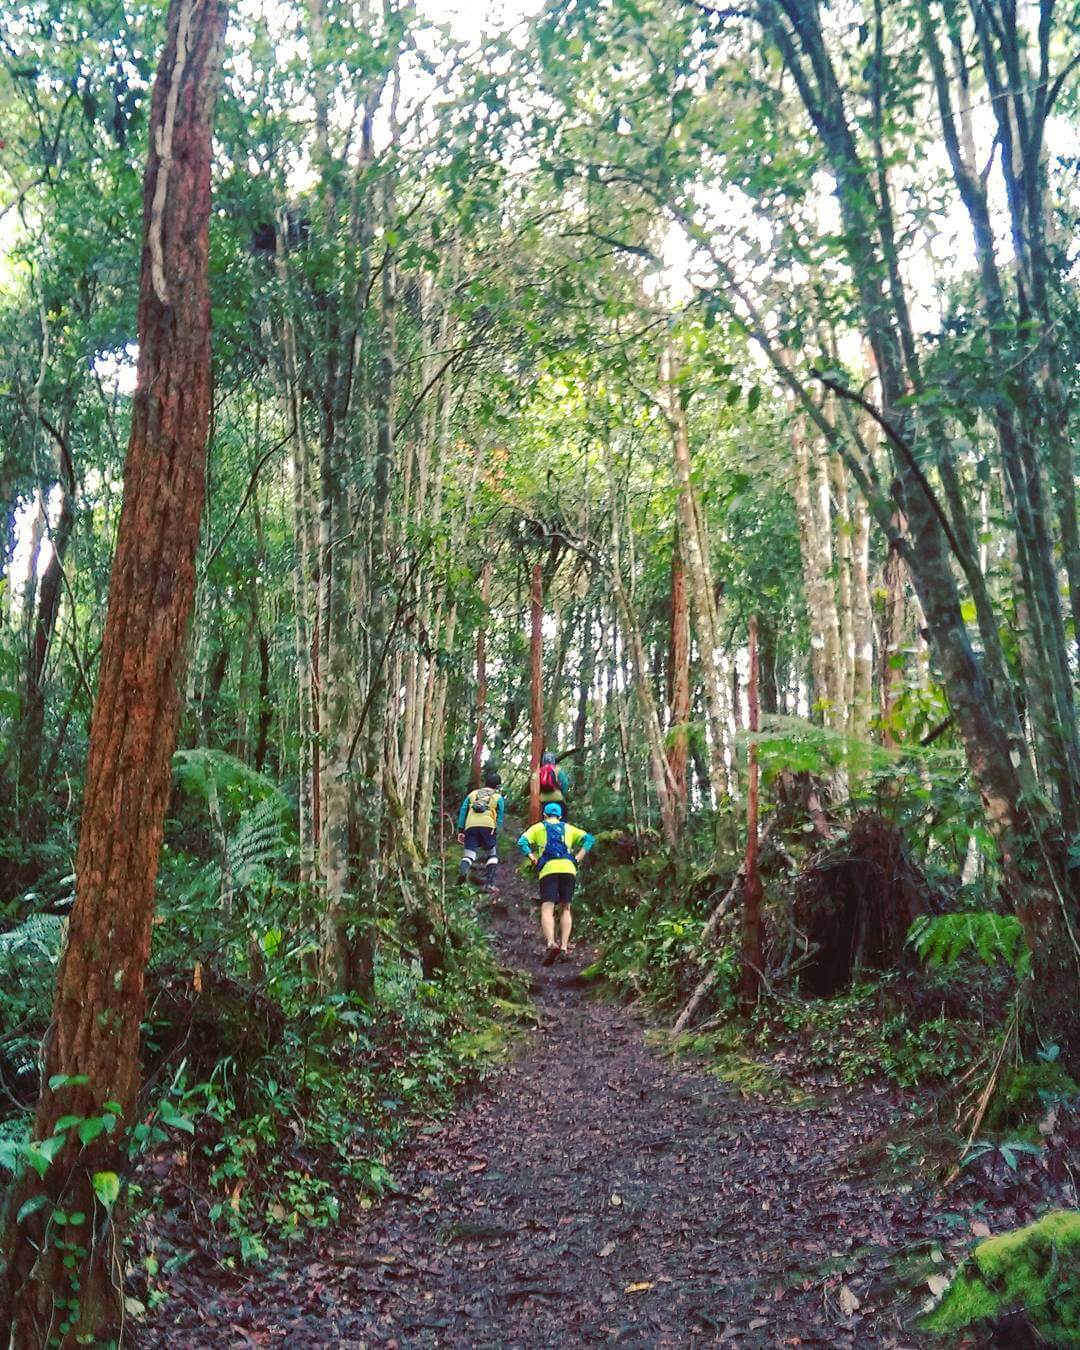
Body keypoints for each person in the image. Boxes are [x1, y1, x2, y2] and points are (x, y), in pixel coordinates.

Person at [517, 801, 594, 966]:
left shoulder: (538, 827)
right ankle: (564, 947)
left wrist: (534, 859)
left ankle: (551, 943)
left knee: (547, 908)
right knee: (566, 908)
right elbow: (589, 839)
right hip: (568, 869)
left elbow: (522, 842)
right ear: (559, 816)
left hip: (548, 870)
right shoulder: (568, 828)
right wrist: (577, 859)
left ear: (544, 814)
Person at [457, 772, 505, 892]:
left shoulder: (473, 794)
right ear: (497, 786)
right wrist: (497, 831)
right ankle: (489, 884)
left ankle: (463, 872)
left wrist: (461, 830)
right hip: (488, 826)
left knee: (469, 855)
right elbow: (500, 817)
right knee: (492, 854)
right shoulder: (498, 797)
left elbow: (463, 810)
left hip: (471, 825)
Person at [538, 750, 571, 819]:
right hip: (557, 798)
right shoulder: (558, 770)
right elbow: (565, 783)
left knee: (545, 819)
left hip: (543, 800)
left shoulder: (539, 771)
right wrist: (563, 794)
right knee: (562, 818)